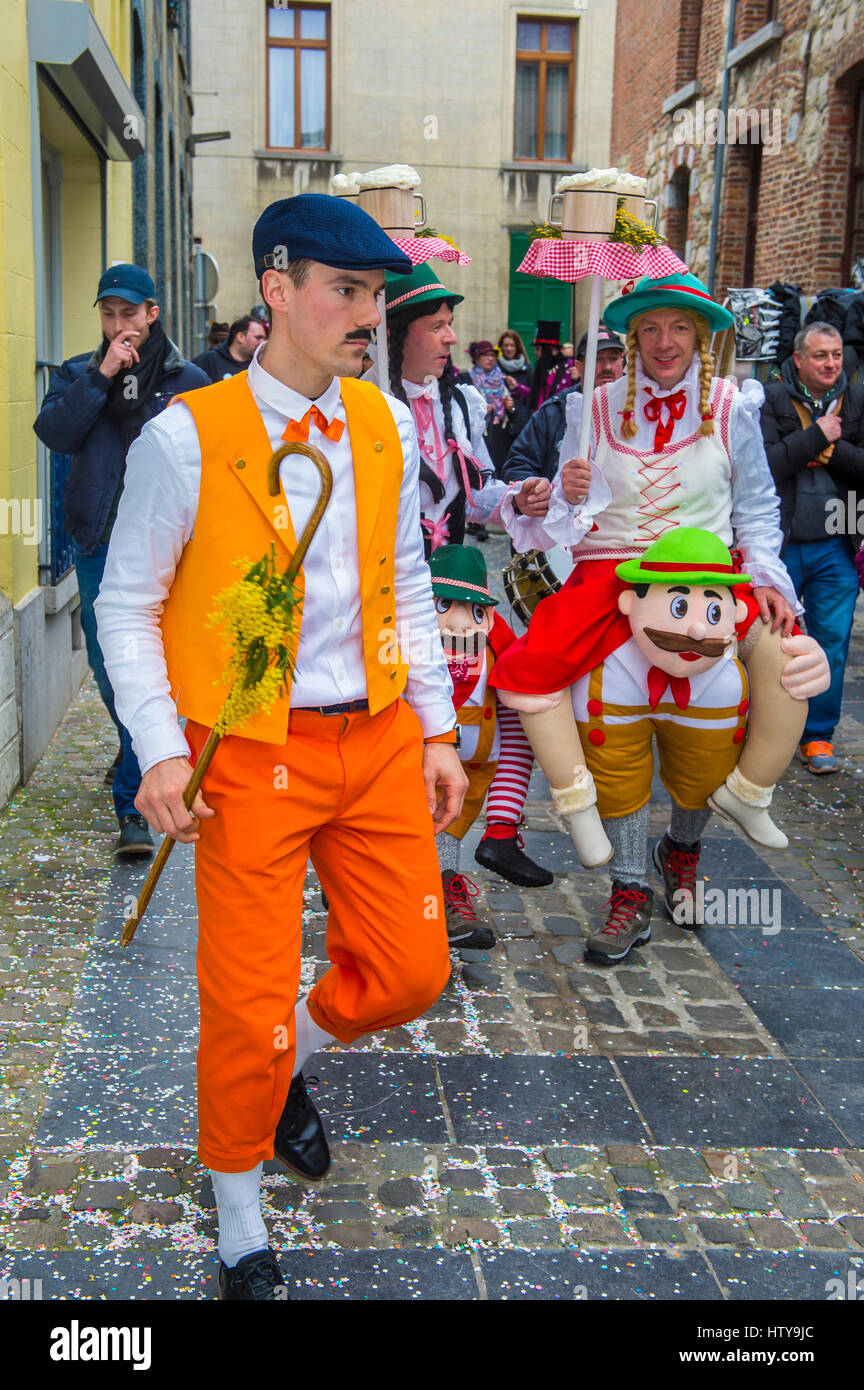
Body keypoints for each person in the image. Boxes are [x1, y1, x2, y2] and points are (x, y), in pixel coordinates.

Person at [95, 194, 467, 1299]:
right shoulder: (184, 435)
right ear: (276, 290)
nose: (368, 314)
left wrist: (439, 726)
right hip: (247, 752)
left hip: (377, 742)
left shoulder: (385, 423)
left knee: (412, 970)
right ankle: (240, 1215)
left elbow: (403, 581)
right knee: (242, 993)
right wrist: (160, 749)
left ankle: (288, 1059)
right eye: (345, 292)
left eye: (375, 296)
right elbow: (124, 602)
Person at [490, 273, 830, 961]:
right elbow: (561, 521)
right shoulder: (590, 407)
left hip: (707, 578)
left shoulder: (734, 407)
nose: (664, 342)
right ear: (632, 337)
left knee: (783, 665)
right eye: (650, 328)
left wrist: (766, 580)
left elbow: (759, 508)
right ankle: (625, 887)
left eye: (678, 327)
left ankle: (694, 839)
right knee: (582, 702)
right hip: (609, 578)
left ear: (699, 335)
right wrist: (566, 492)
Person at [33, 263, 208, 857]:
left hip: (171, 544)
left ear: (152, 313)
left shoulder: (189, 377)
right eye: (108, 314)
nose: (118, 325)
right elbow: (55, 433)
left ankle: (133, 805)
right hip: (99, 537)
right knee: (113, 673)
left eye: (129, 314)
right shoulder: (80, 372)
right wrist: (101, 376)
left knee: (160, 664)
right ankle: (136, 737)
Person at [429, 544, 553, 949]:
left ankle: (486, 849)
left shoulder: (498, 646)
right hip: (411, 763)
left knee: (447, 823)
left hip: (476, 768)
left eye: (476, 610)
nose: (463, 622)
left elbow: (519, 723)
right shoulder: (407, 643)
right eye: (445, 604)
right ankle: (396, 888)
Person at [380, 262, 550, 556]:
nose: (452, 337)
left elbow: (473, 494)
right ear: (394, 335)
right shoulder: (364, 405)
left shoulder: (460, 405)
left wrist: (516, 500)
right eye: (437, 326)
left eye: (450, 323)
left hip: (447, 585)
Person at [761, 322, 864, 774]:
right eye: (821, 355)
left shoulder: (857, 401)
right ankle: (764, 731)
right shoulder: (771, 397)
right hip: (780, 543)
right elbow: (763, 466)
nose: (831, 364)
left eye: (837, 355)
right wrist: (816, 437)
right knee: (768, 643)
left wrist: (829, 450)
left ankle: (817, 736)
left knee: (832, 644)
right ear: (799, 359)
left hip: (839, 540)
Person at [503, 327, 625, 485]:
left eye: (613, 358)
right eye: (597, 359)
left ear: (622, 363)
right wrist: (537, 489)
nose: (607, 367)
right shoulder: (555, 411)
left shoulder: (640, 408)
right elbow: (518, 464)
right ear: (578, 366)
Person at [466, 339, 516, 475]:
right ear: (476, 359)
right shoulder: (466, 379)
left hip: (499, 435)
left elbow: (512, 413)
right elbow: (463, 409)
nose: (490, 358)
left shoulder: (501, 378)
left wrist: (511, 408)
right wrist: (481, 411)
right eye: (485, 355)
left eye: (492, 355)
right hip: (479, 435)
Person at [194, 314, 268, 382]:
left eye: (264, 338)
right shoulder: (209, 361)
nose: (262, 343)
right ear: (240, 337)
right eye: (258, 338)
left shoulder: (260, 366)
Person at [528, 319, 571, 411]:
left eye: (538, 349)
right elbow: (534, 394)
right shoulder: (541, 368)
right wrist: (517, 387)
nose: (535, 352)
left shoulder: (568, 368)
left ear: (550, 349)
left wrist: (576, 379)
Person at [497, 329, 532, 435]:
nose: (509, 348)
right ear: (501, 347)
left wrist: (517, 387)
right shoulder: (496, 367)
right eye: (506, 345)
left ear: (517, 347)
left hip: (521, 421)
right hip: (500, 423)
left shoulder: (527, 368)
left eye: (512, 345)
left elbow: (532, 395)